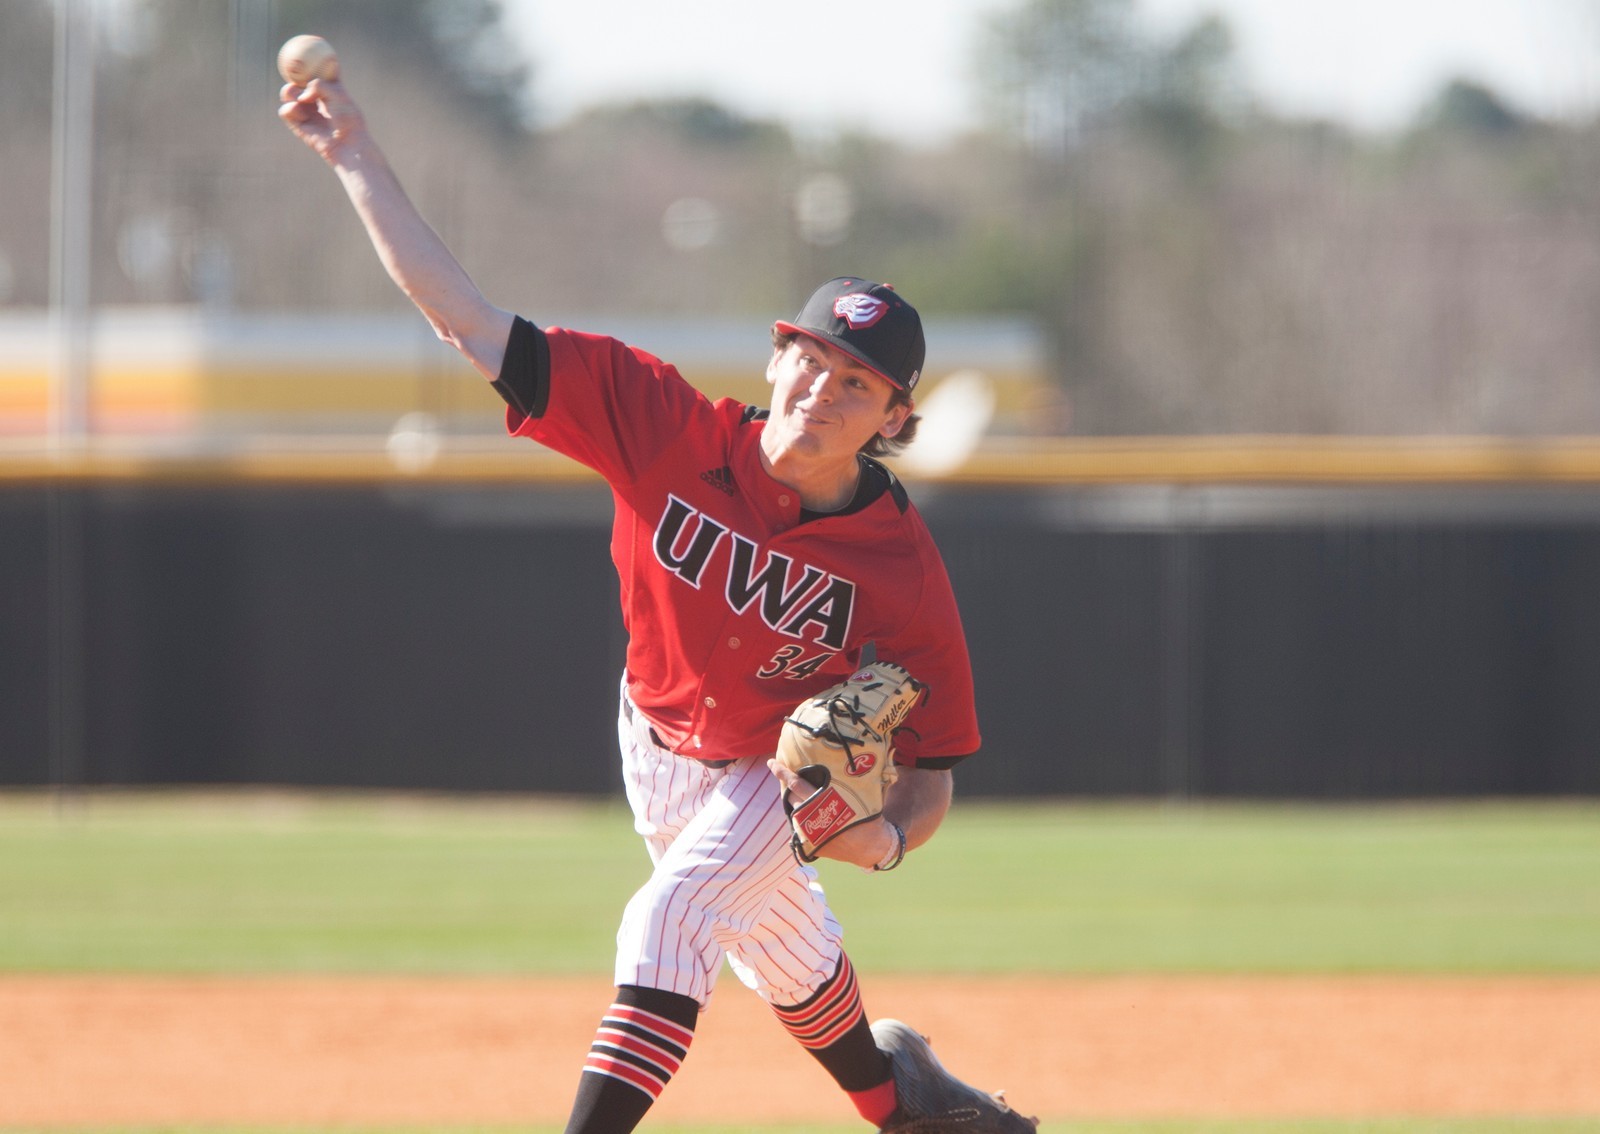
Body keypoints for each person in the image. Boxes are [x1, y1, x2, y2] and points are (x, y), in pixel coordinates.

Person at [280, 65, 1036, 1134]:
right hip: (654, 734)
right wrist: (353, 153)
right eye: (812, 360)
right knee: (776, 945)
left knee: (671, 922)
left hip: (775, 765)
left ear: (891, 418)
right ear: (780, 356)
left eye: (854, 382)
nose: (821, 391)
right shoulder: (659, 421)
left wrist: (889, 842)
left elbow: (934, 774)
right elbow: (467, 320)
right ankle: (902, 1100)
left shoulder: (901, 570)